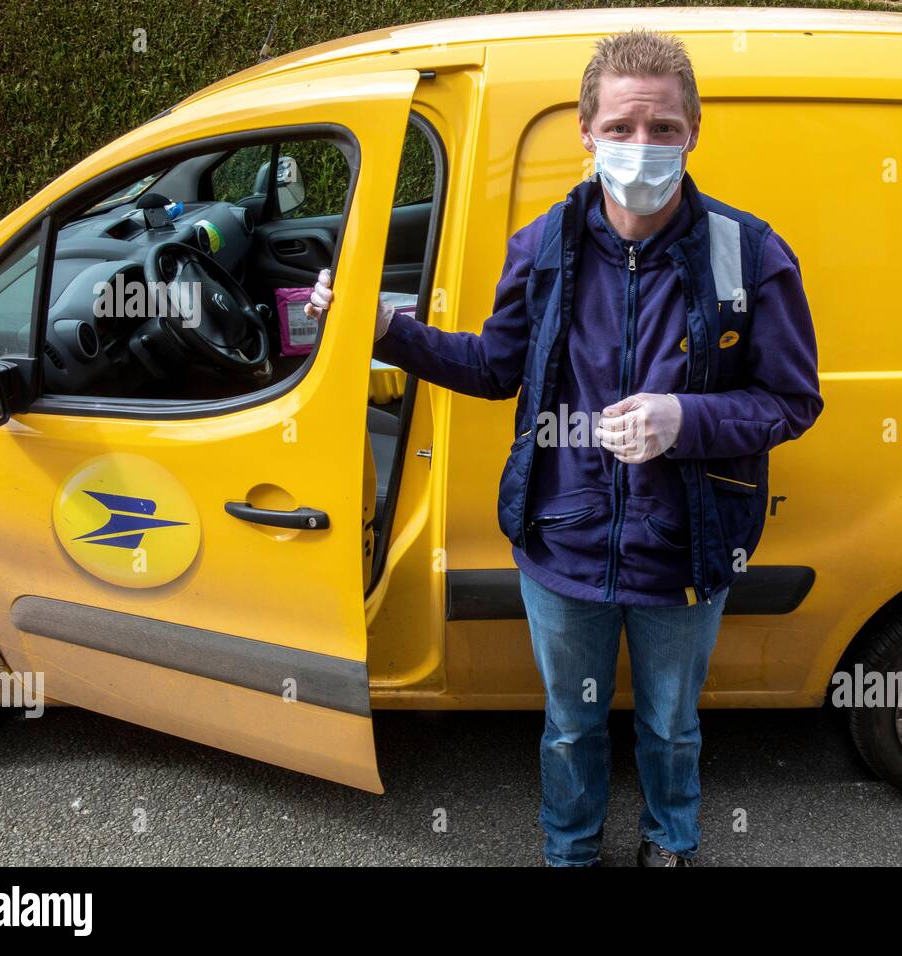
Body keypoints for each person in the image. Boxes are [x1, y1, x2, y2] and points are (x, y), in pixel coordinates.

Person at [306, 28, 823, 866]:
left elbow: (792, 402)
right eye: (621, 128)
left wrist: (683, 421)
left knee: (671, 723)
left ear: (695, 129)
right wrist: (386, 334)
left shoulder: (750, 253)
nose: (642, 147)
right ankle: (571, 852)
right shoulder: (545, 246)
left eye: (662, 128)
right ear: (586, 131)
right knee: (571, 723)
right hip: (562, 540)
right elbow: (492, 367)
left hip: (686, 545)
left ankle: (673, 843)